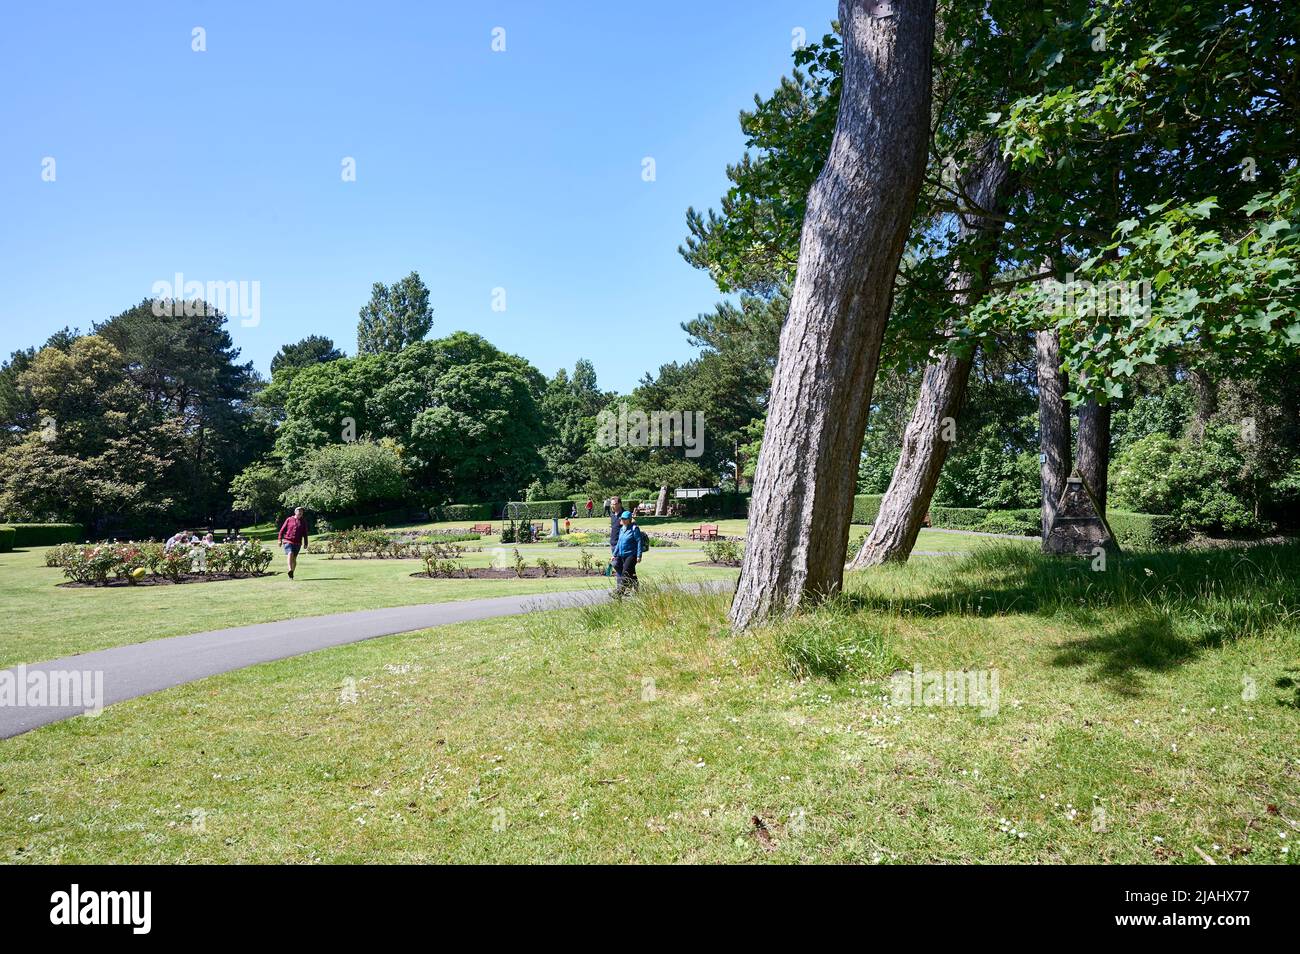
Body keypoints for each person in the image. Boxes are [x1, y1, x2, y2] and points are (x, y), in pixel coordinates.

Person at [611, 510, 642, 595]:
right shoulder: (622, 529)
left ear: (629, 519)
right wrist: (614, 554)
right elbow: (619, 543)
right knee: (632, 574)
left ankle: (619, 592)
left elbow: (639, 541)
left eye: (625, 519)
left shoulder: (634, 528)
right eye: (622, 518)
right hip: (622, 555)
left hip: (632, 555)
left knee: (625, 573)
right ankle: (637, 591)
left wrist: (639, 555)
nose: (623, 520)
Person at [278, 507, 310, 579]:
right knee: (290, 553)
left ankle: (291, 573)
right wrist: (279, 540)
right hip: (288, 540)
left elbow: (305, 533)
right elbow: (281, 530)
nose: (300, 513)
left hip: (298, 543)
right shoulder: (289, 519)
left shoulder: (303, 521)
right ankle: (289, 569)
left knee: (294, 559)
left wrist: (306, 543)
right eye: (299, 512)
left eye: (301, 512)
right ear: (295, 512)